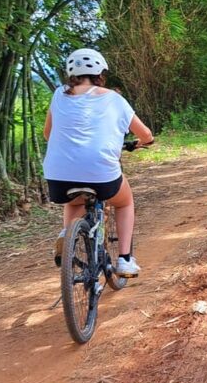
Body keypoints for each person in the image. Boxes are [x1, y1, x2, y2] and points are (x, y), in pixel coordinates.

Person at [43, 48, 154, 278]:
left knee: (73, 202)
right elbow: (145, 134)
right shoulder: (114, 98)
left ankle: (67, 235)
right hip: (100, 172)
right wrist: (143, 142)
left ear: (70, 72)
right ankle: (124, 260)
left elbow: (48, 134)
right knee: (124, 202)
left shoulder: (58, 95)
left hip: (57, 175)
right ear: (101, 72)